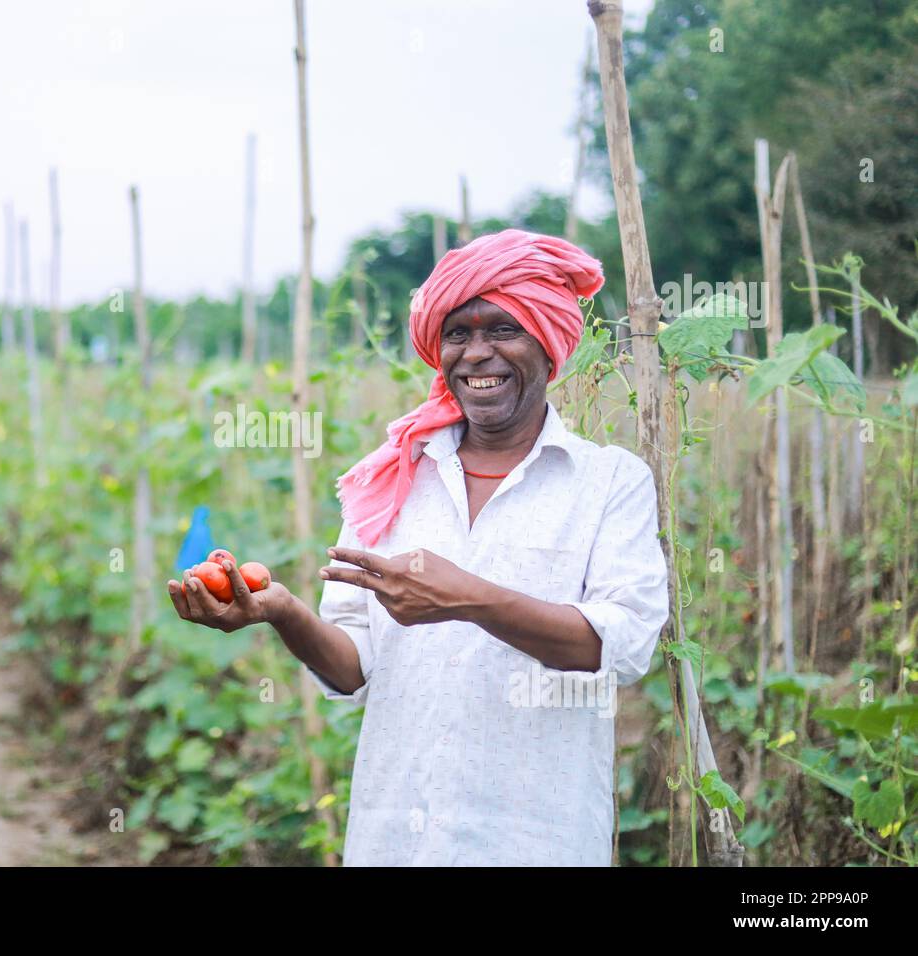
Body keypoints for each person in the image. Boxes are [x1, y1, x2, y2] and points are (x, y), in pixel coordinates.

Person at [167, 229, 669, 866]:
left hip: (538, 837)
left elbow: (620, 647)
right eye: (458, 334)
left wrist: (470, 599)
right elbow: (355, 668)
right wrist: (284, 612)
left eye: (504, 331)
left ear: (548, 345)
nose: (476, 354)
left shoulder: (608, 483)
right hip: (398, 836)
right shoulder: (392, 479)